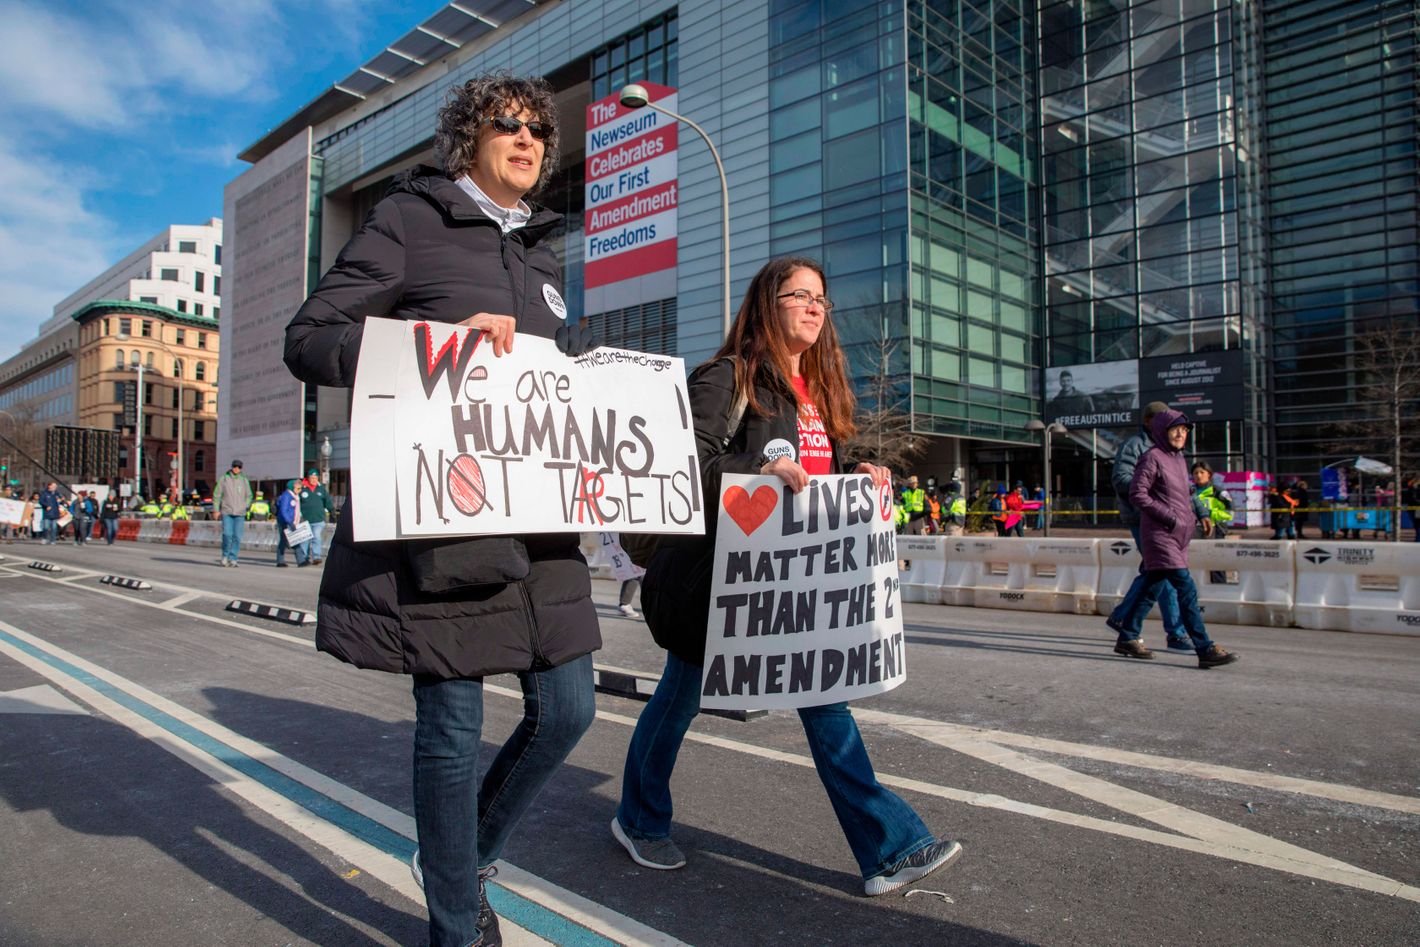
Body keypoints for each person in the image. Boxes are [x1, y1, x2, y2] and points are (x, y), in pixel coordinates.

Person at [283, 72, 599, 947]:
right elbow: (309, 339)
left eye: (539, 129)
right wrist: (435, 346)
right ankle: (457, 924)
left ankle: (458, 857)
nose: (528, 138)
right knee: (454, 727)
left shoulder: (541, 251)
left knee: (569, 708)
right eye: (507, 123)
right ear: (469, 136)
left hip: (538, 522)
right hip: (445, 521)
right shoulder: (409, 219)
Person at [613, 256, 962, 898]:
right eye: (799, 295)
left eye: (821, 298)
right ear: (766, 305)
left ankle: (891, 849)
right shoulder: (729, 376)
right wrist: (757, 474)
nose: (814, 306)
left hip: (792, 589)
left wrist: (857, 472)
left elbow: (812, 479)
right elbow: (683, 467)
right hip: (716, 584)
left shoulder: (816, 394)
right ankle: (638, 818)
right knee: (678, 700)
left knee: (825, 700)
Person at [1110, 409, 1238, 669]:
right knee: (1186, 588)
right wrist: (1169, 518)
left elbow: (1187, 493)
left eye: (1185, 430)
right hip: (1160, 534)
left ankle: (1127, 636)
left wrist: (1200, 514)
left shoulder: (1178, 459)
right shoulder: (1152, 457)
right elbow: (1137, 494)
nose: (1181, 434)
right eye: (1175, 429)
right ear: (1161, 430)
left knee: (1151, 587)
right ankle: (1204, 647)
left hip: (1179, 535)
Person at [1107, 402, 1208, 653]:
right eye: (1166, 422)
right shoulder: (1137, 447)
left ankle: (1124, 622)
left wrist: (1201, 511)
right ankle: (1179, 635)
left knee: (1154, 575)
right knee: (1174, 577)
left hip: (1172, 522)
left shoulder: (1174, 453)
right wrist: (1158, 490)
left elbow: (1184, 488)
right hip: (1145, 518)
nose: (1177, 430)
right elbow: (1121, 480)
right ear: (1149, 422)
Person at [1191, 461, 1233, 585]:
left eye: (1202, 472)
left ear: (1209, 474)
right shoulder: (1189, 491)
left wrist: (1209, 513)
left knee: (1216, 562)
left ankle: (1220, 588)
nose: (1198, 475)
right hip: (1193, 532)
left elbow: (1230, 513)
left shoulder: (1218, 492)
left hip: (1215, 531)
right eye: (1195, 473)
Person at [213, 459, 252, 567]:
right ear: (232, 467)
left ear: (241, 469)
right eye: (235, 466)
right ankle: (225, 555)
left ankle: (233, 558)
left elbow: (249, 495)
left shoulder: (244, 480)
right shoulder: (224, 479)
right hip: (227, 511)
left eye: (239, 467)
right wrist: (216, 509)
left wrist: (245, 505)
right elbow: (217, 495)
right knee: (227, 534)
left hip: (240, 513)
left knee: (237, 536)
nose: (236, 469)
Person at [298, 470, 336, 565]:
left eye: (315, 478)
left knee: (316, 536)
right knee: (305, 540)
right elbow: (297, 503)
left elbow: (327, 501)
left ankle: (316, 556)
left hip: (318, 519)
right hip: (305, 519)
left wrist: (332, 511)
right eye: (312, 478)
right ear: (308, 478)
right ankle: (304, 558)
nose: (314, 480)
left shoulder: (321, 489)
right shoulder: (302, 489)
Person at [274, 479, 309, 568]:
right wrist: (289, 522)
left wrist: (300, 519)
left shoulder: (295, 496)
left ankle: (300, 561)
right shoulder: (287, 496)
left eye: (300, 488)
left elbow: (296, 510)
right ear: (292, 488)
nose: (299, 490)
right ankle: (281, 560)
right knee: (285, 541)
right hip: (285, 522)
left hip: (293, 521)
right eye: (298, 488)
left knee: (295, 540)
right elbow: (283, 510)